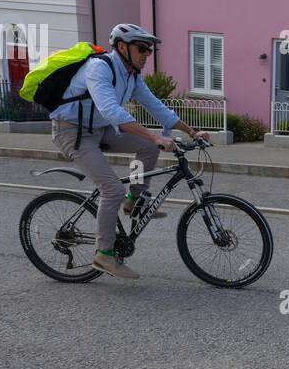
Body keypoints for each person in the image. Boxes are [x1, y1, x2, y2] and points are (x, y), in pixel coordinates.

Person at [50, 23, 208, 279]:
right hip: (72, 132)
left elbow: (156, 106)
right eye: (142, 49)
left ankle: (133, 201)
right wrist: (155, 136)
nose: (147, 54)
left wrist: (191, 131)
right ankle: (104, 254)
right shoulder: (99, 68)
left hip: (100, 129)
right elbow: (111, 110)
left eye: (149, 50)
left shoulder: (131, 75)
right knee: (111, 188)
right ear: (122, 47)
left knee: (147, 147)